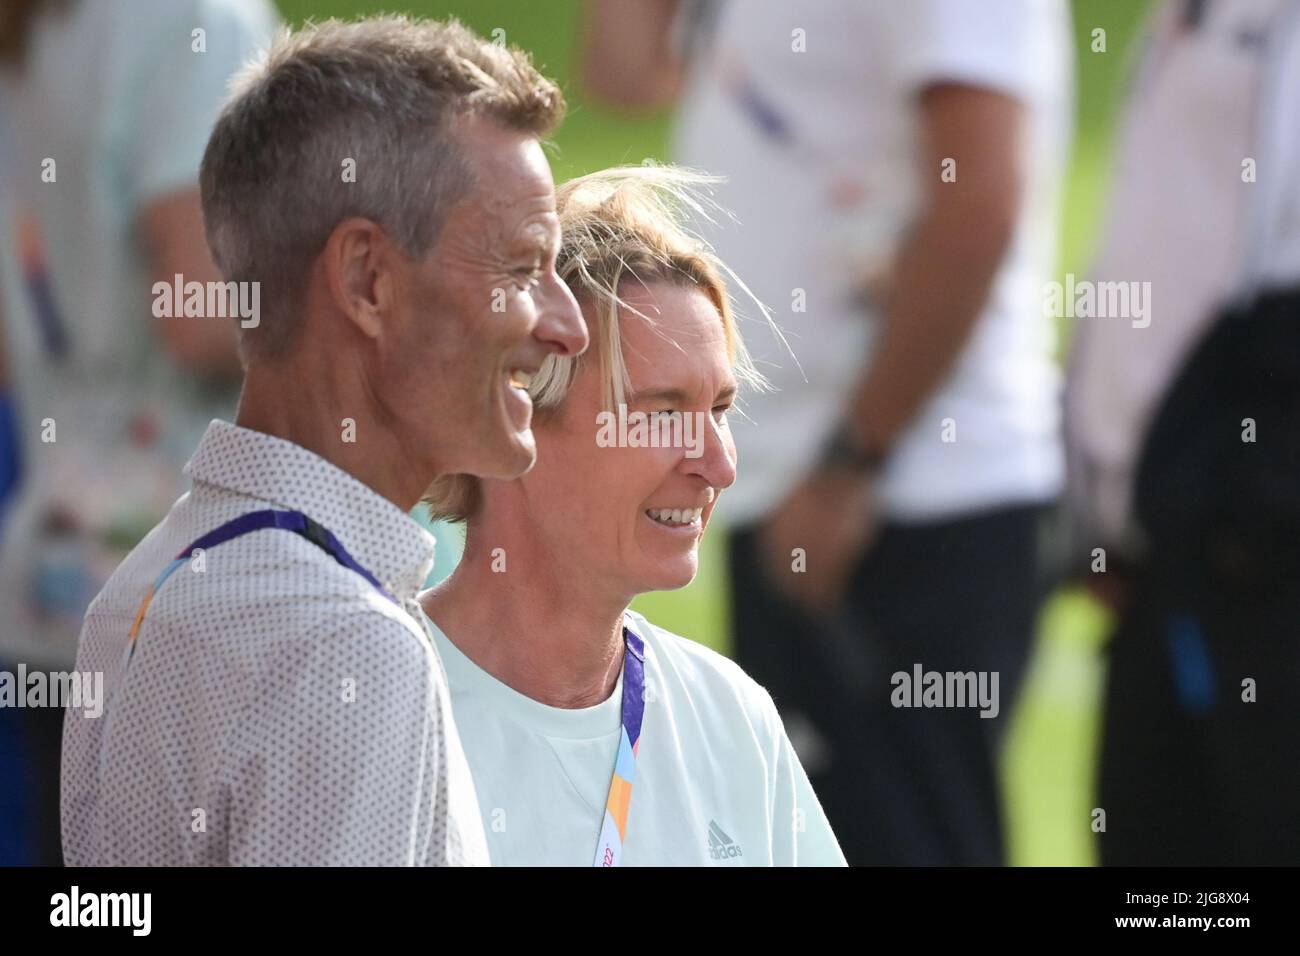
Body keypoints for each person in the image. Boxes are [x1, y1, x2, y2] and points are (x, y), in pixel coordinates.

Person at [61, 15, 587, 866]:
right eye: (524, 268)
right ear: (367, 281)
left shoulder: (140, 586)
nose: (567, 327)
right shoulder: (348, 642)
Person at [583, 0, 1072, 864]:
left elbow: (979, 205)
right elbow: (623, 74)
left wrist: (852, 466)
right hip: (784, 475)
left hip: (904, 493)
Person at [420, 166, 845, 866]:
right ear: (513, 421)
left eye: (718, 411)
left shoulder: (730, 719)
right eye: (663, 413)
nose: (718, 464)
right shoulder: (373, 706)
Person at [0, 0, 276, 865]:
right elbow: (197, 318)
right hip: (194, 574)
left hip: (58, 562)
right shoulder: (196, 20)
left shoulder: (42, 26)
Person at [1066, 0, 1300, 865]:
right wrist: (1106, 491)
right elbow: (1155, 247)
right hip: (1166, 538)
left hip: (1256, 540)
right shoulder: (1187, 18)